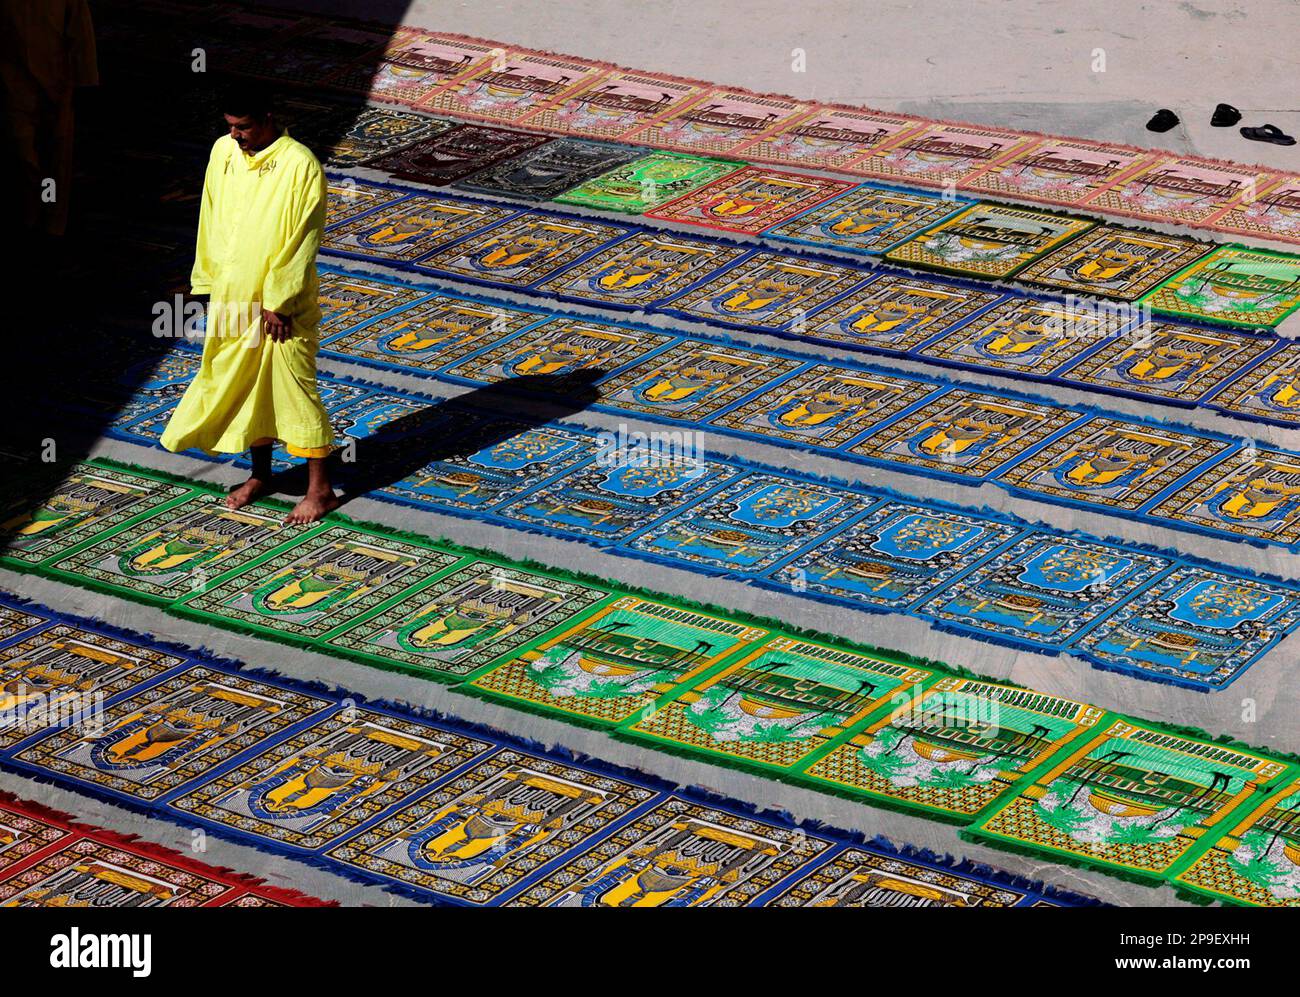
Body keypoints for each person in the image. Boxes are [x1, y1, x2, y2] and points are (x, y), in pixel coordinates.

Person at [161, 83, 338, 524]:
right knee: (244, 387)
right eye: (231, 127)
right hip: (231, 294)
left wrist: (278, 301)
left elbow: (302, 239)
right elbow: (211, 214)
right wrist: (206, 278)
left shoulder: (300, 164)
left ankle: (320, 490)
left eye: (244, 127)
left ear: (268, 119)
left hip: (280, 304)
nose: (237, 135)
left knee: (295, 391)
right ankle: (261, 475)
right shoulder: (223, 151)